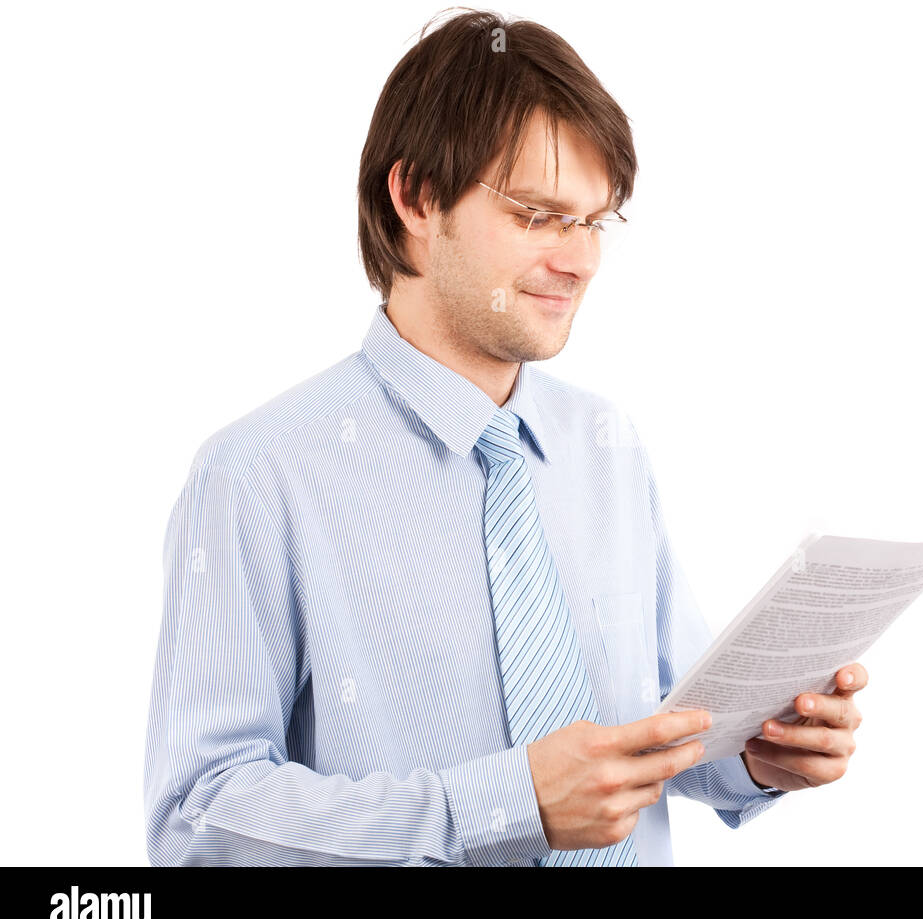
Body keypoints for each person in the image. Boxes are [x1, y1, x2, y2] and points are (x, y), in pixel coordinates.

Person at [143, 8, 865, 867]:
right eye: (538, 215)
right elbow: (197, 817)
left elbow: (663, 725)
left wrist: (756, 754)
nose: (582, 261)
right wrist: (498, 805)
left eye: (596, 221)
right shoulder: (258, 475)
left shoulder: (607, 445)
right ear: (413, 196)